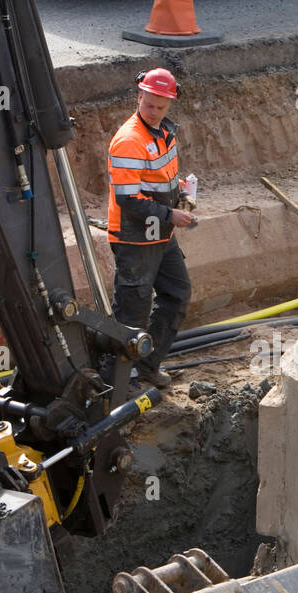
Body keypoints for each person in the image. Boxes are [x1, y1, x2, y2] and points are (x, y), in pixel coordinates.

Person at [106, 68, 197, 388]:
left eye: (160, 107)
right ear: (139, 96)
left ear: (170, 104)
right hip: (135, 237)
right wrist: (169, 214)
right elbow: (128, 198)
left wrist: (181, 191)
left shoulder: (164, 132)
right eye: (149, 105)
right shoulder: (130, 140)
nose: (154, 111)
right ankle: (118, 383)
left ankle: (146, 364)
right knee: (132, 312)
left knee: (177, 293)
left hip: (159, 232)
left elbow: (161, 177)